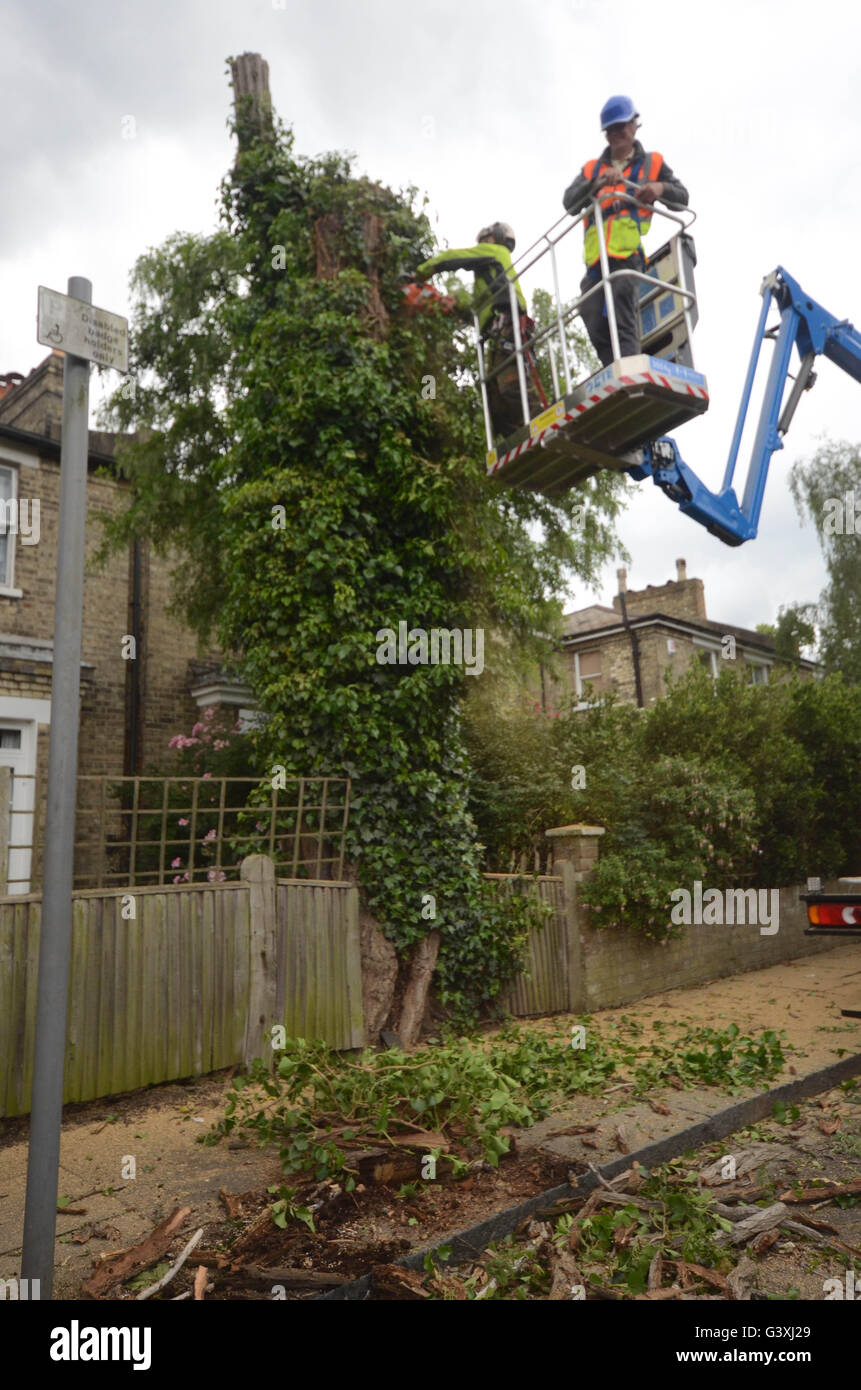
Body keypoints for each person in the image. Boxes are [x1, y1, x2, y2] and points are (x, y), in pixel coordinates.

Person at [562, 95, 689, 366]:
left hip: (627, 254)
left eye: (621, 127)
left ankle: (630, 365)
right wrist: (596, 184)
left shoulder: (651, 163)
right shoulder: (592, 169)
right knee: (590, 310)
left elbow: (682, 198)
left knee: (621, 300)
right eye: (610, 130)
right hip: (597, 260)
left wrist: (659, 188)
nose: (616, 134)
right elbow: (569, 202)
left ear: (634, 126)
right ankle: (613, 368)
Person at [415, 223, 542, 436]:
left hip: (508, 327)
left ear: (495, 239)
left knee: (511, 385)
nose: (481, 244)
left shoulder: (494, 252)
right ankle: (519, 439)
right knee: (496, 401)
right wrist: (456, 305)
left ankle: (542, 422)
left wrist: (420, 273)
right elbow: (478, 311)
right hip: (497, 334)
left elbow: (452, 258)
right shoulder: (489, 275)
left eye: (485, 239)